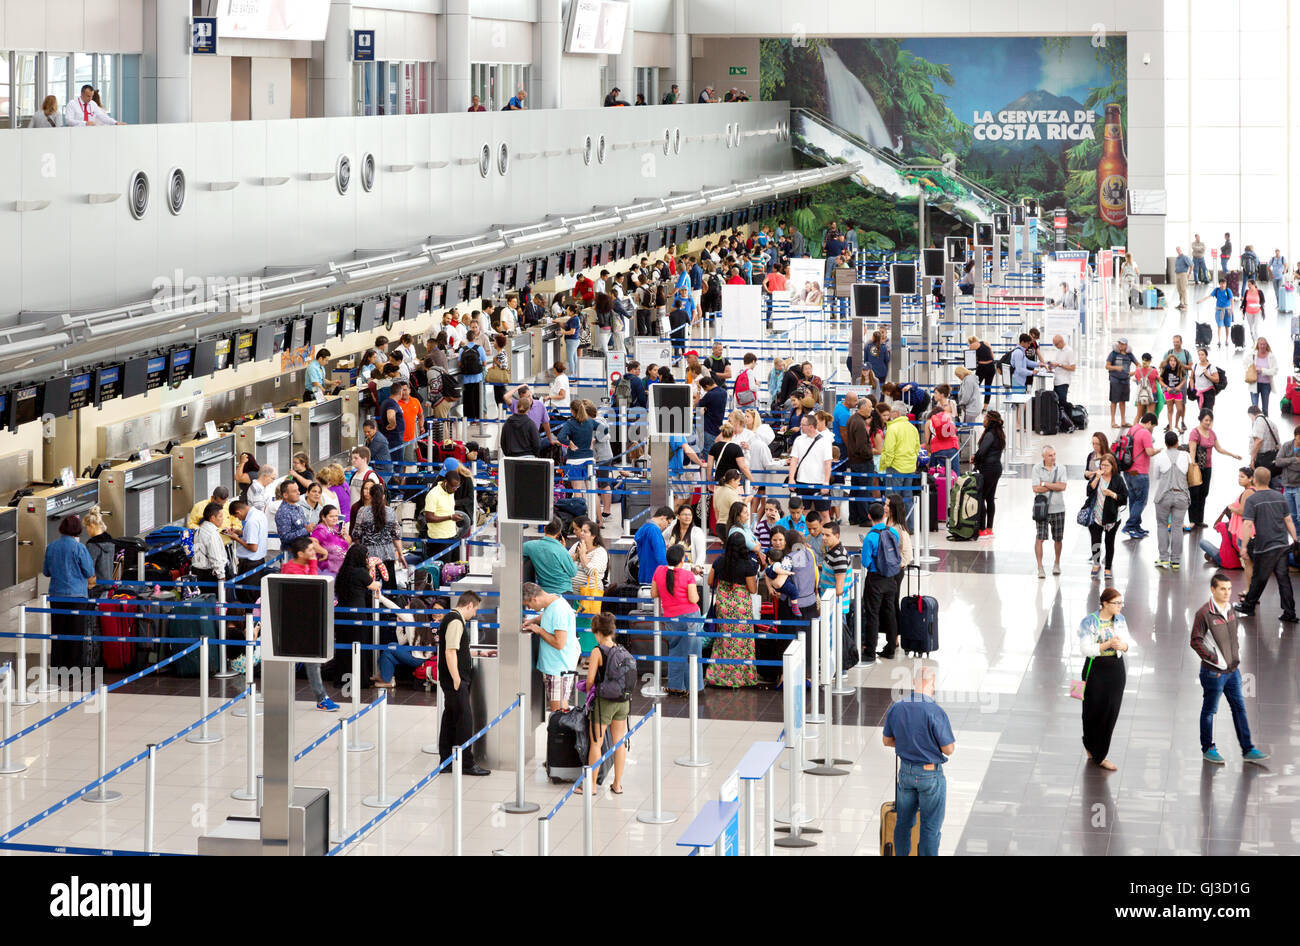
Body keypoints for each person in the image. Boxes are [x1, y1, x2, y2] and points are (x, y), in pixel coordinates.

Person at [1192, 573, 1270, 765]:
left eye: (1229, 589)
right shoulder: (1204, 613)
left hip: (1233, 671)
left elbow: (1233, 637)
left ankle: (1248, 749)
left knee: (1240, 708)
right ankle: (1208, 748)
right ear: (1213, 589)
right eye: (1222, 589)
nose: (1227, 593)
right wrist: (1214, 660)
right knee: (1210, 711)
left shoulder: (1231, 610)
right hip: (1214, 673)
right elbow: (1195, 641)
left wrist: (1236, 656)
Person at [882, 665, 955, 855]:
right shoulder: (935, 711)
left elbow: (887, 740)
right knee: (930, 828)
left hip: (906, 773)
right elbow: (949, 749)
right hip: (930, 776)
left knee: (903, 824)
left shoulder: (897, 707)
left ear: (914, 682)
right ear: (932, 682)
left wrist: (907, 744)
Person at [1233, 468, 1299, 622]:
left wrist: (1243, 546)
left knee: (1258, 577)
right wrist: (1295, 540)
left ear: (1254, 480)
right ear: (1269, 479)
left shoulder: (1252, 500)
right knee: (1283, 579)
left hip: (1265, 546)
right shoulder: (1280, 496)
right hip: (1282, 544)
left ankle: (1248, 607)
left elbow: (1248, 524)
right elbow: (1288, 520)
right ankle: (1290, 613)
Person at [1077, 587, 1132, 771]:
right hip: (1094, 670)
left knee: (1110, 711)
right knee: (1091, 711)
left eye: (1121, 603)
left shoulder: (1121, 620)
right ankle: (1089, 743)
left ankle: (1101, 755)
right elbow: (1085, 649)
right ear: (1105, 604)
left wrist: (1122, 646)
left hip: (1115, 670)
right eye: (1116, 603)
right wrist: (1106, 644)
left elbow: (1127, 643)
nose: (1120, 606)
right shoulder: (1089, 621)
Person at [436, 591, 489, 774]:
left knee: (451, 718)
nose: (474, 614)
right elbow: (450, 652)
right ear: (469, 605)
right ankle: (466, 763)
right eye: (474, 610)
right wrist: (457, 679)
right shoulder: (456, 621)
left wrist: (479, 654)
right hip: (455, 680)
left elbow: (459, 651)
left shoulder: (452, 619)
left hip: (451, 678)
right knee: (465, 720)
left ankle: (447, 760)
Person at [579, 613, 631, 794]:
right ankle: (617, 784)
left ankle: (592, 786)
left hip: (604, 704)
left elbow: (590, 682)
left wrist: (585, 688)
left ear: (598, 632)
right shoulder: (621, 650)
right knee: (619, 742)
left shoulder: (597, 651)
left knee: (596, 743)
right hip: (623, 702)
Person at [42, 515, 95, 664]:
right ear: (78, 530)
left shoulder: (51, 547)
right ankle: (74, 668)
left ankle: (58, 666)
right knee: (75, 633)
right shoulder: (79, 547)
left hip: (56, 595)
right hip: (77, 596)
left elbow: (46, 572)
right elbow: (89, 571)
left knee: (58, 632)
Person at [651, 545, 703, 696]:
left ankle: (675, 685)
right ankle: (692, 687)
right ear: (683, 559)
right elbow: (693, 599)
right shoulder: (687, 575)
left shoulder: (659, 571)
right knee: (692, 653)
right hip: (690, 617)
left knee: (675, 651)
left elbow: (654, 593)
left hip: (670, 618)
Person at [521, 581, 580, 712]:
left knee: (558, 713)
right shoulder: (552, 602)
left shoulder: (559, 610)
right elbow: (548, 616)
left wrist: (539, 630)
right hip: (555, 667)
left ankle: (559, 733)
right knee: (559, 712)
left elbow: (559, 643)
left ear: (534, 599)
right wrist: (533, 620)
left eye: (528, 605)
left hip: (559, 669)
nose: (529, 608)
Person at [1187, 408, 1242, 529]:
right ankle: (1192, 519)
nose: (1208, 422)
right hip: (1196, 468)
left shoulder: (1211, 433)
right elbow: (1192, 451)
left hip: (1207, 467)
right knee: (1194, 494)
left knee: (1204, 493)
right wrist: (1193, 466)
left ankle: (1199, 520)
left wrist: (1233, 455)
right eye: (1206, 420)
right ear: (1201, 419)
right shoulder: (1195, 432)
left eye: (1210, 420)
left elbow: (1219, 448)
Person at [861, 502, 901, 663]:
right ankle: (891, 648)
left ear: (869, 516)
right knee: (890, 612)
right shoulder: (893, 532)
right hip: (891, 578)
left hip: (875, 579)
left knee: (873, 614)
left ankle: (870, 650)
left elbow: (865, 561)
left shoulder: (870, 537)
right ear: (884, 515)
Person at [350, 484, 403, 596]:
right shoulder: (391, 512)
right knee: (390, 587)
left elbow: (356, 533)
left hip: (368, 555)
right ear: (383, 496)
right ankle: (390, 612)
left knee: (368, 586)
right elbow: (397, 535)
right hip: (388, 553)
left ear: (370, 496)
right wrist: (401, 554)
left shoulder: (362, 511)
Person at [1151, 431, 1192, 569]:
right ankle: (1175, 560)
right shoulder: (1186, 455)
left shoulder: (1160, 456)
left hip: (1164, 495)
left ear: (1165, 443)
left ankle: (1163, 558)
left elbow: (1156, 476)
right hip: (1182, 495)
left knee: (1162, 525)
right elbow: (1190, 473)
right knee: (1177, 526)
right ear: (1177, 443)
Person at [1086, 453, 1127, 583]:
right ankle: (1096, 563)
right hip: (1096, 516)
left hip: (1112, 517)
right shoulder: (1097, 476)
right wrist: (1096, 478)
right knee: (1095, 541)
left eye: (1107, 465)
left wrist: (1112, 494)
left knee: (1109, 543)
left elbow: (1124, 499)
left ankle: (1108, 568)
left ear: (1112, 466)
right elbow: (1088, 491)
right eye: (1102, 465)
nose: (1104, 467)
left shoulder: (1117, 479)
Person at [880, 403, 921, 525]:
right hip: (910, 467)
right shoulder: (912, 428)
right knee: (907, 497)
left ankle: (891, 525)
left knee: (891, 499)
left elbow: (889, 450)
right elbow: (917, 448)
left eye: (892, 412)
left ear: (896, 413)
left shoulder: (893, 428)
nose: (890, 415)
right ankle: (910, 526)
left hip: (895, 467)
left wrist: (885, 464)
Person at [1032, 445, 1067, 578]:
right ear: (1043, 457)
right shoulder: (1036, 468)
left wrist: (1044, 484)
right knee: (1040, 537)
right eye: (1050, 455)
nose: (1053, 458)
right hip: (1042, 509)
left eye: (1054, 455)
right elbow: (1035, 488)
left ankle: (1057, 563)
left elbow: (1063, 486)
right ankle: (1040, 567)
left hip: (1058, 508)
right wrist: (1054, 486)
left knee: (1058, 538)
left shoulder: (1061, 468)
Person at [1122, 413, 1158, 539]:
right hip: (1140, 472)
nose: (1152, 429)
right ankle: (1130, 526)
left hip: (1128, 471)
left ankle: (1136, 526)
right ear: (1148, 423)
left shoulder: (1132, 429)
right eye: (1152, 426)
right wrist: (1157, 450)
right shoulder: (1145, 433)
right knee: (1141, 500)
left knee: (1134, 499)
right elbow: (1149, 452)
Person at [522, 518, 578, 595]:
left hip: (544, 593)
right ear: (559, 532)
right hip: (563, 593)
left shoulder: (531, 546)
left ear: (544, 529)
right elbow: (573, 572)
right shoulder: (561, 550)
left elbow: (517, 550)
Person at [973, 410, 1005, 538]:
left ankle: (981, 528)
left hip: (988, 468)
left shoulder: (990, 435)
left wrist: (974, 458)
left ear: (989, 420)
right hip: (996, 467)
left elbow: (982, 452)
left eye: (985, 418)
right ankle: (989, 528)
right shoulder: (999, 434)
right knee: (990, 498)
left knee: (980, 496)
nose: (983, 420)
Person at [423, 468, 464, 564]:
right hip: (439, 539)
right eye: (453, 487)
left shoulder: (450, 491)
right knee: (442, 572)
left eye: (457, 487)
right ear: (445, 482)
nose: (455, 489)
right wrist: (450, 517)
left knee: (454, 569)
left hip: (452, 535)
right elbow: (429, 518)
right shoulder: (433, 494)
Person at [191, 502, 230, 584]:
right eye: (220, 516)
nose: (223, 519)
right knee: (217, 596)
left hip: (199, 572)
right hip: (210, 574)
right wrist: (222, 577)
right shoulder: (211, 533)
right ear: (212, 518)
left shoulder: (201, 529)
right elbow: (215, 557)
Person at [1106, 337, 1137, 428]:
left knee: (1123, 401)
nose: (1120, 345)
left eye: (1122, 344)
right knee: (1114, 401)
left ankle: (1123, 421)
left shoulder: (1129, 355)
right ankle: (1113, 421)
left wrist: (1133, 373)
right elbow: (1107, 366)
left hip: (1125, 381)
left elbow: (1138, 365)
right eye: (1119, 343)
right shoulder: (1113, 354)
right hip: (1115, 380)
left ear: (1126, 345)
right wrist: (1116, 368)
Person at [311, 505, 348, 576]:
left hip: (339, 570)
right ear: (323, 517)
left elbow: (348, 542)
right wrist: (324, 552)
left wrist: (344, 535)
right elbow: (311, 542)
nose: (335, 519)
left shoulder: (336, 529)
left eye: (336, 516)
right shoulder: (321, 530)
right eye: (331, 516)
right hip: (327, 570)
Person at [1275, 427, 1300, 526]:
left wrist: (1286, 464)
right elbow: (1278, 462)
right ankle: (1296, 538)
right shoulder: (1286, 445)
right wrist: (1293, 460)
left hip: (1298, 486)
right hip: (1286, 486)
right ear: (1295, 436)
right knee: (1291, 515)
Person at [1158, 352, 1188, 434]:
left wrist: (1179, 386)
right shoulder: (1166, 369)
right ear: (1169, 362)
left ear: (1176, 362)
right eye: (1171, 360)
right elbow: (1160, 380)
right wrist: (1166, 387)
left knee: (1180, 409)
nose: (1173, 362)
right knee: (1170, 409)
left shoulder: (1179, 368)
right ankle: (1171, 427)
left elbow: (1184, 379)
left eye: (1174, 360)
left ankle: (1176, 424)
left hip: (1177, 391)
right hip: (1169, 391)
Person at [1247, 337, 1278, 414]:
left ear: (1267, 345)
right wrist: (1251, 369)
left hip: (1266, 385)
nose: (1262, 346)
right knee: (1255, 408)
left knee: (1265, 409)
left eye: (1264, 344)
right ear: (1258, 345)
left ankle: (1265, 424)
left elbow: (1275, 370)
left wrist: (1262, 370)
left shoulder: (1271, 356)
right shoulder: (1252, 354)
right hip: (1254, 383)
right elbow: (1245, 364)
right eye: (1261, 344)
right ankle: (1256, 425)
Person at [1045, 334, 1077, 411]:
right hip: (1056, 381)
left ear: (1061, 341)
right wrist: (1051, 366)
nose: (1055, 346)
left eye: (1056, 344)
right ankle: (1059, 421)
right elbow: (1057, 364)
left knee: (1063, 403)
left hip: (1063, 382)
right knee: (1056, 404)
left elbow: (1073, 368)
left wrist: (1059, 365)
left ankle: (1069, 418)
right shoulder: (1059, 351)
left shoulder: (1069, 351)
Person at [1191, 347, 1221, 412]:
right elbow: (1191, 378)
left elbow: (1217, 379)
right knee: (1202, 411)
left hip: (1209, 392)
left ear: (1206, 356)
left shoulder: (1211, 367)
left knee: (1208, 411)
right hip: (1199, 391)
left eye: (1202, 354)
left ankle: (1209, 421)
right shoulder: (1195, 366)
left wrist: (1207, 375)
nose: (1200, 356)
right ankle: (1203, 421)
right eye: (1199, 355)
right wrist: (1192, 388)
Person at [1240, 279, 1267, 344]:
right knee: (1251, 328)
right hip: (1248, 311)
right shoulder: (1247, 292)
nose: (1248, 286)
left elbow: (1263, 301)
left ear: (1254, 284)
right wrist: (1241, 307)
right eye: (1248, 285)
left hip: (1257, 311)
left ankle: (1257, 343)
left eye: (1250, 284)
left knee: (1255, 327)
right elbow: (1244, 302)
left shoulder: (1259, 292)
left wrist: (1260, 305)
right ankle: (1254, 341)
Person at [1211, 277, 1235, 348]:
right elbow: (1210, 296)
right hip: (1219, 310)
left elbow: (1231, 300)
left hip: (1227, 310)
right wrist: (1202, 300)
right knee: (1219, 325)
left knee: (1227, 326)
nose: (1223, 285)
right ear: (1219, 284)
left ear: (1226, 284)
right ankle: (1219, 340)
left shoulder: (1228, 290)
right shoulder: (1217, 290)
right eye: (1221, 284)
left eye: (1224, 284)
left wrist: (1232, 309)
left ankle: (1227, 340)